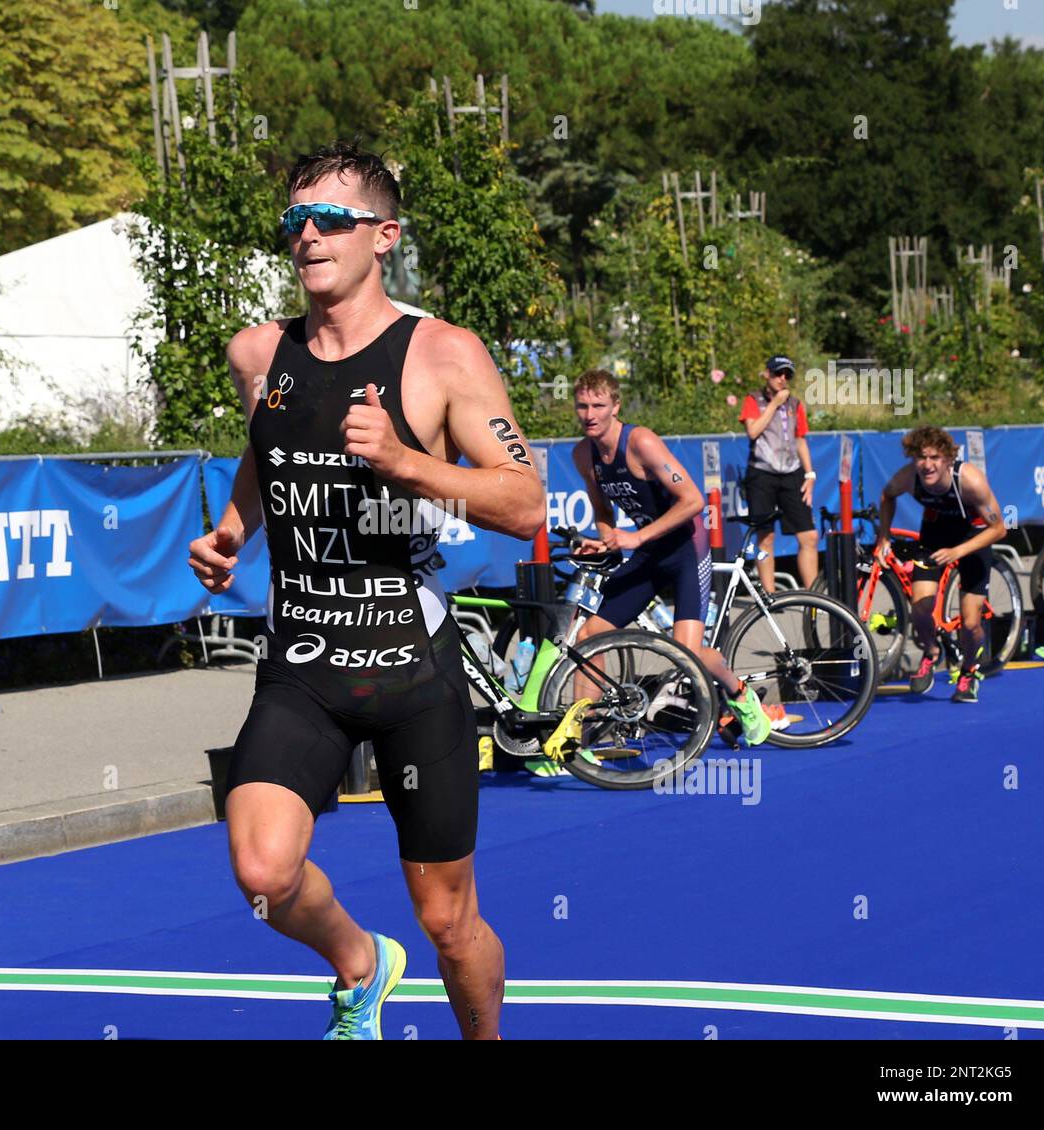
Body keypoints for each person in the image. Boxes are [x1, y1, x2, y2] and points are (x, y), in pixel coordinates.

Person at [187, 142, 544, 1040]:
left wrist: (406, 463)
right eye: (295, 221)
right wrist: (234, 529)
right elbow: (268, 460)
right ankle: (360, 962)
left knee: (449, 926)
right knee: (264, 874)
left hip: (410, 672)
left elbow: (525, 502)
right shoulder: (258, 352)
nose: (309, 235)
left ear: (383, 236)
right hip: (304, 663)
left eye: (332, 220)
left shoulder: (442, 355)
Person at [569, 369, 772, 746]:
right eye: (582, 406)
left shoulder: (641, 442)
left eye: (598, 405)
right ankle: (580, 738)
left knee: (685, 654)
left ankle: (741, 694)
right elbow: (602, 509)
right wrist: (607, 540)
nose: (590, 414)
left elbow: (693, 500)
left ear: (616, 406)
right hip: (648, 549)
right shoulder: (584, 454)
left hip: (686, 548)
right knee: (589, 636)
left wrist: (637, 536)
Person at [877, 425, 1007, 702]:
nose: (927, 465)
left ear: (948, 459)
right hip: (935, 535)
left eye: (935, 458)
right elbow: (887, 496)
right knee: (920, 609)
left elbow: (999, 529)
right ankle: (931, 652)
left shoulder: (969, 480)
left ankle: (969, 672)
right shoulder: (908, 477)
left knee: (971, 623)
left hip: (972, 538)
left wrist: (958, 551)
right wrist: (883, 537)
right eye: (921, 458)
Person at [739, 356, 819, 591]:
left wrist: (810, 475)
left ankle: (814, 598)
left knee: (809, 537)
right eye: (778, 373)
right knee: (766, 537)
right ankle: (770, 596)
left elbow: (800, 440)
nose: (782, 379)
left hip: (792, 472)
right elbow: (752, 431)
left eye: (787, 375)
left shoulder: (795, 404)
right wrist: (774, 405)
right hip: (762, 473)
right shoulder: (753, 399)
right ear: (767, 374)